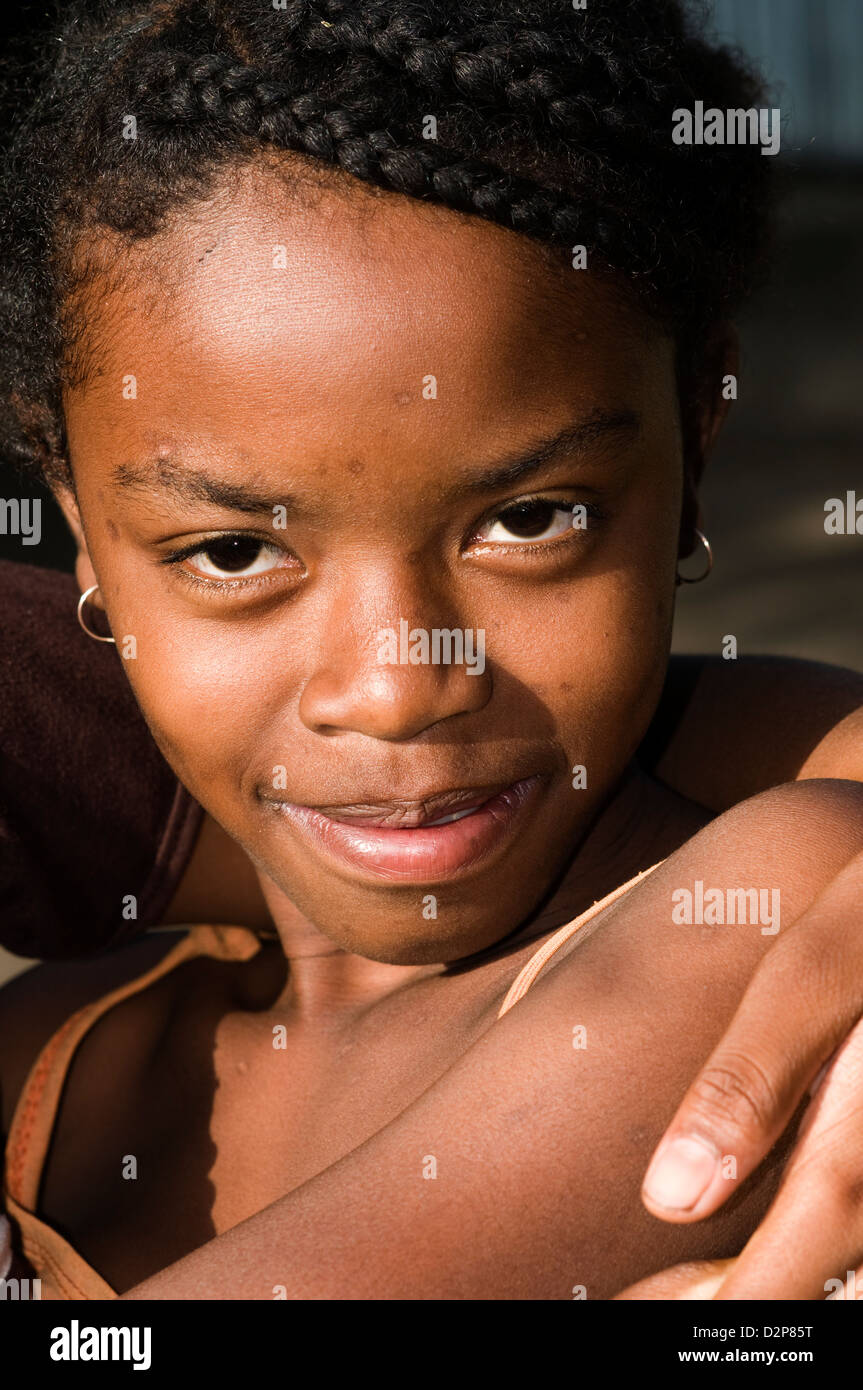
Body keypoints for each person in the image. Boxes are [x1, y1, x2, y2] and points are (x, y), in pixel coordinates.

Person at [1, 0, 862, 1300]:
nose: (399, 685)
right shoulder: (51, 1062)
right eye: (233, 552)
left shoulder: (763, 920)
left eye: (528, 520)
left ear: (695, 435)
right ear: (81, 527)